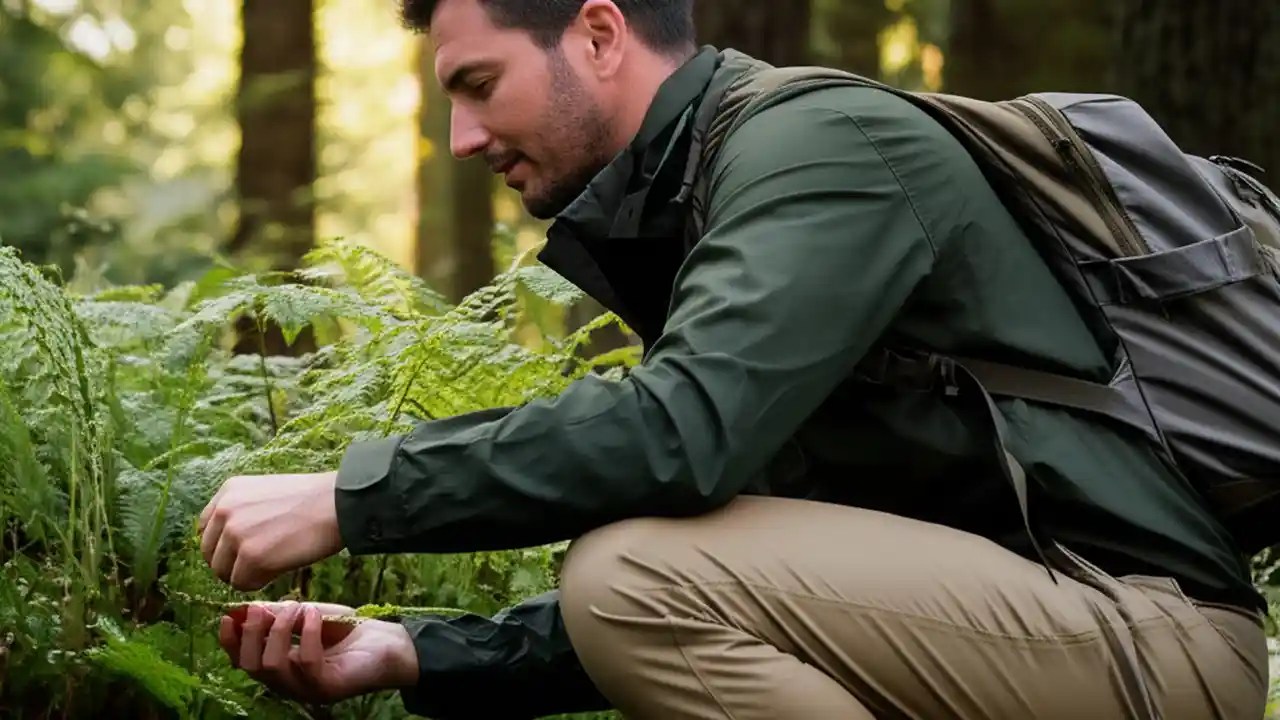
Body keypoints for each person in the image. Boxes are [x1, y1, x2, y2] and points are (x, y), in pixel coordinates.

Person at [197, 0, 1272, 718]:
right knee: (643, 572)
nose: (464, 135)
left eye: (479, 83)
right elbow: (758, 566)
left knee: (629, 573)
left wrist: (356, 495)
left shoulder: (816, 148)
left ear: (599, 34)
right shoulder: (703, 196)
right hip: (1031, 622)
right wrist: (419, 655)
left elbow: (680, 437)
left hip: (1145, 633)